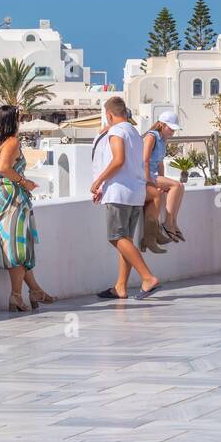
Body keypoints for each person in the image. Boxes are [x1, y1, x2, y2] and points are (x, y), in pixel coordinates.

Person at [0, 104, 55, 312]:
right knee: (18, 249)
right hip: (10, 199)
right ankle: (15, 296)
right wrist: (25, 182)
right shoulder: (11, 142)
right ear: (14, 121)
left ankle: (35, 290)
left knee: (15, 246)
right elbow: (3, 168)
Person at [91, 96, 161, 300]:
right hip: (136, 193)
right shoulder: (134, 132)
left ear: (109, 115)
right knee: (126, 240)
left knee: (116, 237)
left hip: (119, 193)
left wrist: (98, 182)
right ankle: (120, 286)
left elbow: (118, 160)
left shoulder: (116, 131)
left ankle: (148, 278)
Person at [141, 111, 186, 249]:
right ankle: (167, 223)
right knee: (177, 186)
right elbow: (145, 160)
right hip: (146, 175)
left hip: (155, 175)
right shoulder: (151, 137)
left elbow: (160, 163)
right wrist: (149, 181)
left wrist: (163, 182)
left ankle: (173, 222)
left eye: (174, 129)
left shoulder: (162, 140)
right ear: (161, 124)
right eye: (170, 128)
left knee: (180, 186)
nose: (172, 132)